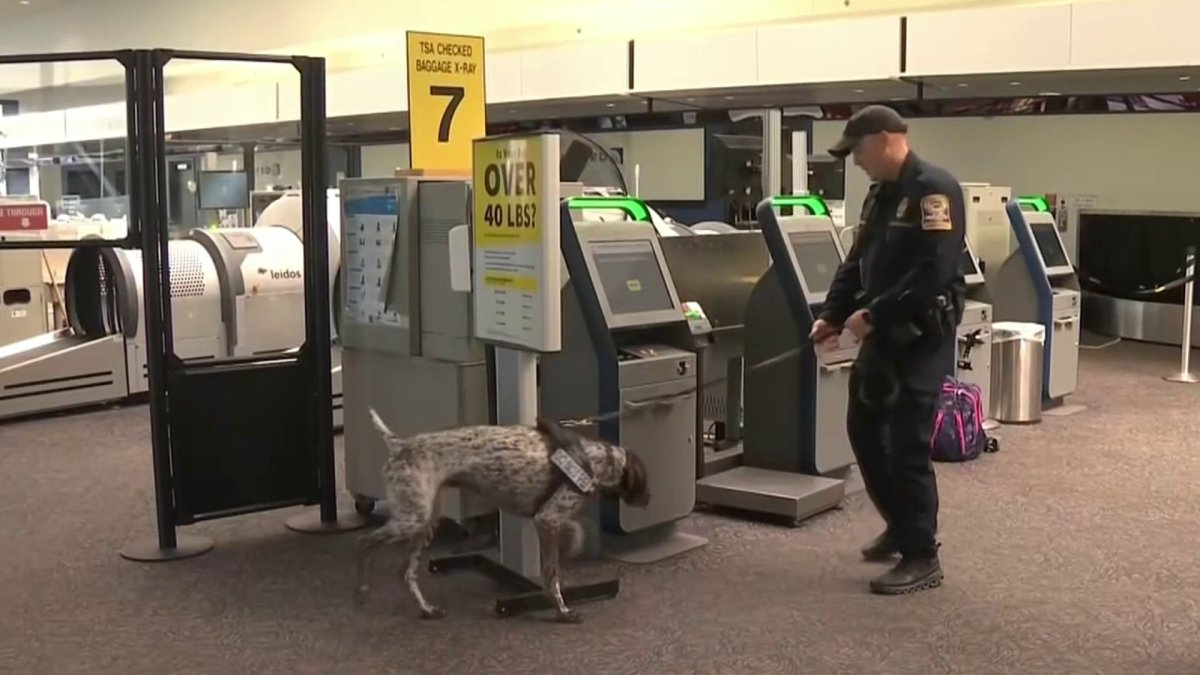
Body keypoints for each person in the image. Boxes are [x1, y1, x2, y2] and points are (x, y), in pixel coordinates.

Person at [811, 105, 965, 595]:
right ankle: (901, 524)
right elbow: (855, 261)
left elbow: (932, 273)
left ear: (883, 140)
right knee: (863, 426)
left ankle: (922, 554)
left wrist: (874, 315)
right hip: (880, 337)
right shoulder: (880, 196)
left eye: (858, 150)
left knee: (906, 445)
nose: (855, 161)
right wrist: (832, 314)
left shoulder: (933, 190)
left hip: (920, 337)